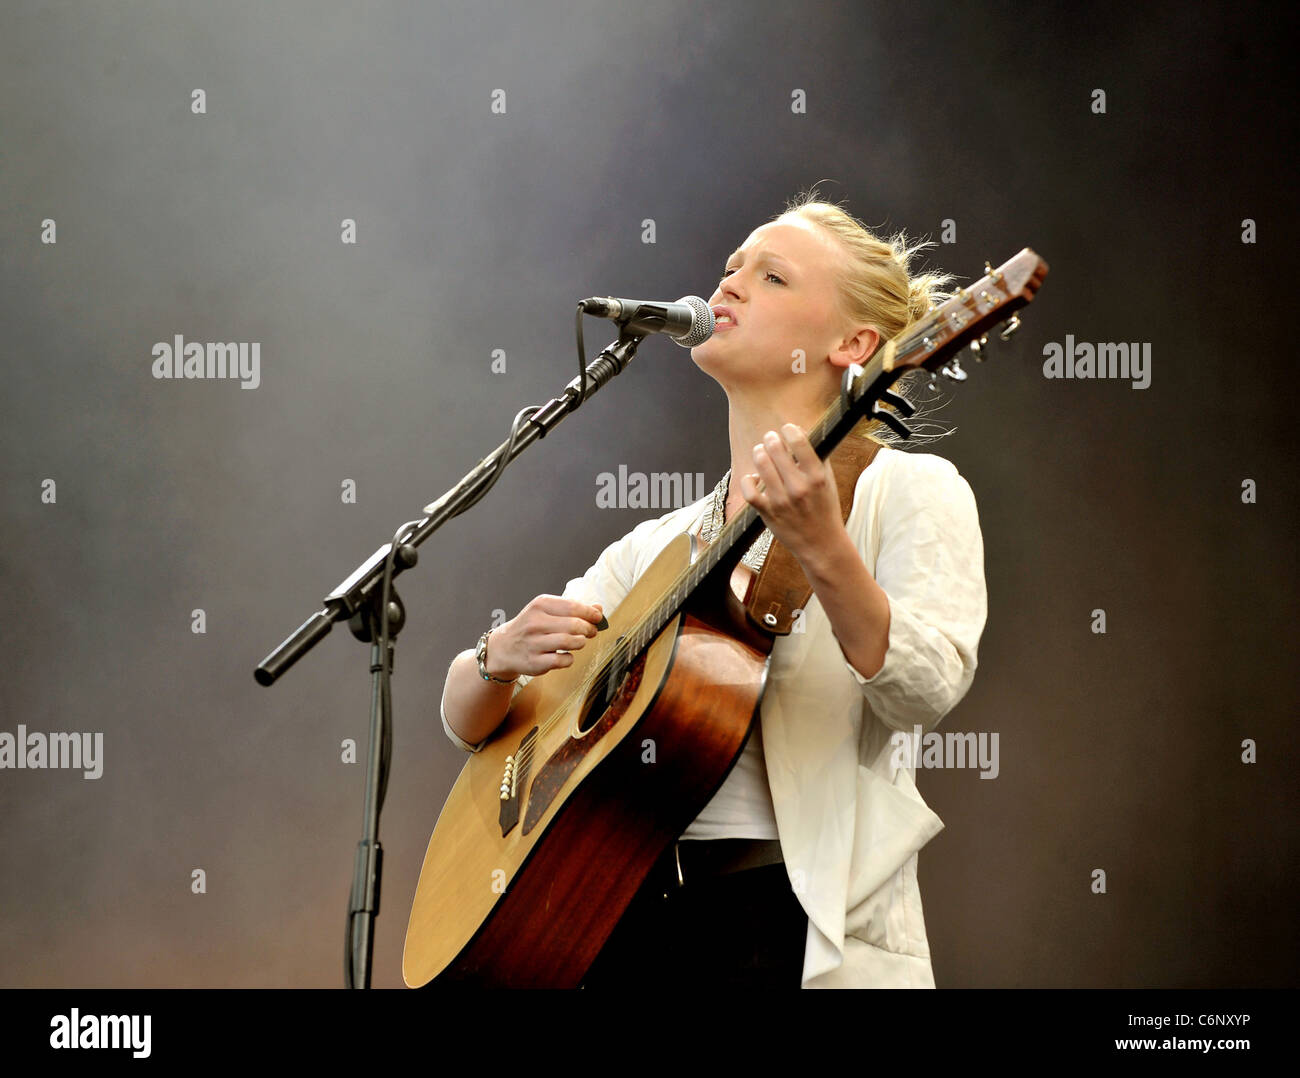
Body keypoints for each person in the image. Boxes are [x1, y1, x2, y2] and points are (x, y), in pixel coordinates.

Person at [439, 189, 988, 988]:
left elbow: (925, 688)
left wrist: (823, 548)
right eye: (731, 267)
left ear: (855, 342)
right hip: (620, 924)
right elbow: (473, 727)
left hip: (786, 921)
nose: (727, 284)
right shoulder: (655, 547)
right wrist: (492, 659)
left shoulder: (903, 490)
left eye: (772, 277)